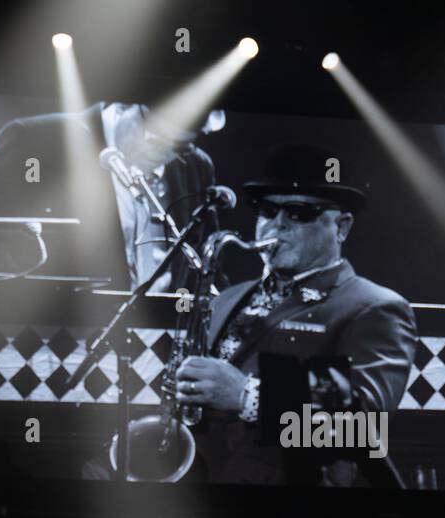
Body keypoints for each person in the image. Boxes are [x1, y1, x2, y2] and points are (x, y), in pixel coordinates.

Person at [173, 143, 418, 486]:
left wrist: (247, 395)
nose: (277, 225)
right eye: (266, 210)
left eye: (298, 212)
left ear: (342, 227)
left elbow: (361, 425)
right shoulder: (225, 299)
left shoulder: (375, 306)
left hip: (297, 509)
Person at [0, 102, 219, 291]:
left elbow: (210, 263)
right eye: (155, 140)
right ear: (125, 108)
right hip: (57, 343)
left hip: (162, 345)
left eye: (179, 148)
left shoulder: (196, 165)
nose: (165, 156)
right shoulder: (35, 139)